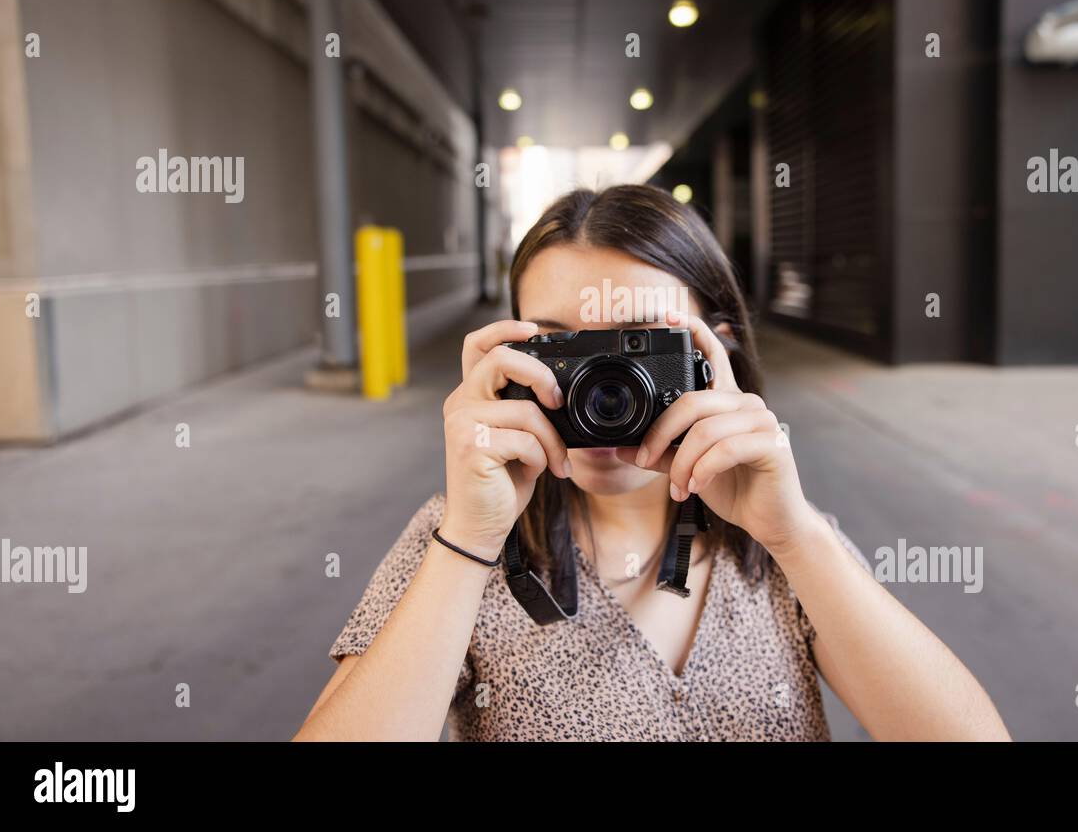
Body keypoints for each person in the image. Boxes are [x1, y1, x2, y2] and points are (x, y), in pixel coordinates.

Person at [294, 184, 1011, 741]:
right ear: (508, 358)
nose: (601, 388)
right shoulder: (454, 540)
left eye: (637, 346)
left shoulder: (785, 544)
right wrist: (469, 543)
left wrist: (794, 534)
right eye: (561, 350)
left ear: (716, 352)